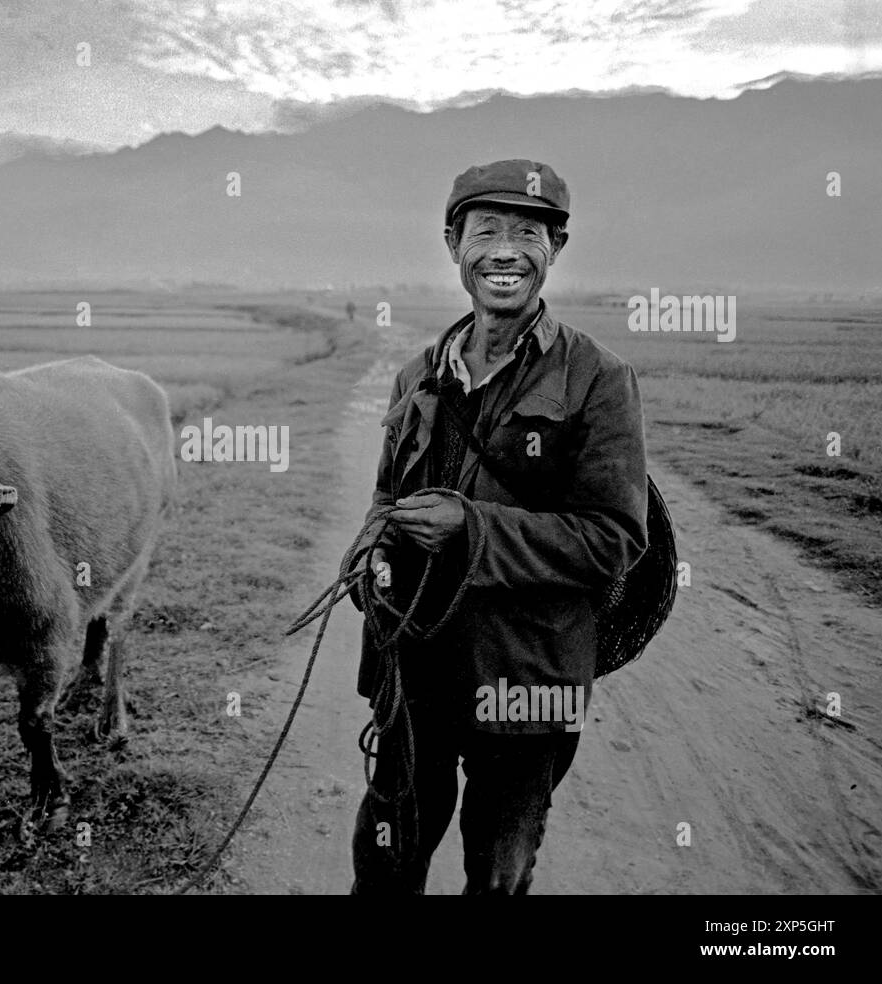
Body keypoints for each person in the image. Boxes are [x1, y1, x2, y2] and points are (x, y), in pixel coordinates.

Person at [348, 159, 648, 894]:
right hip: (413, 671)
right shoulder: (416, 375)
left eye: (528, 232)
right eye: (486, 231)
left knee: (498, 876)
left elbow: (614, 541)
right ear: (454, 245)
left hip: (528, 684)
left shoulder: (598, 379)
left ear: (557, 249)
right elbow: (384, 505)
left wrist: (470, 526)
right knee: (385, 867)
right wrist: (370, 557)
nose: (506, 250)